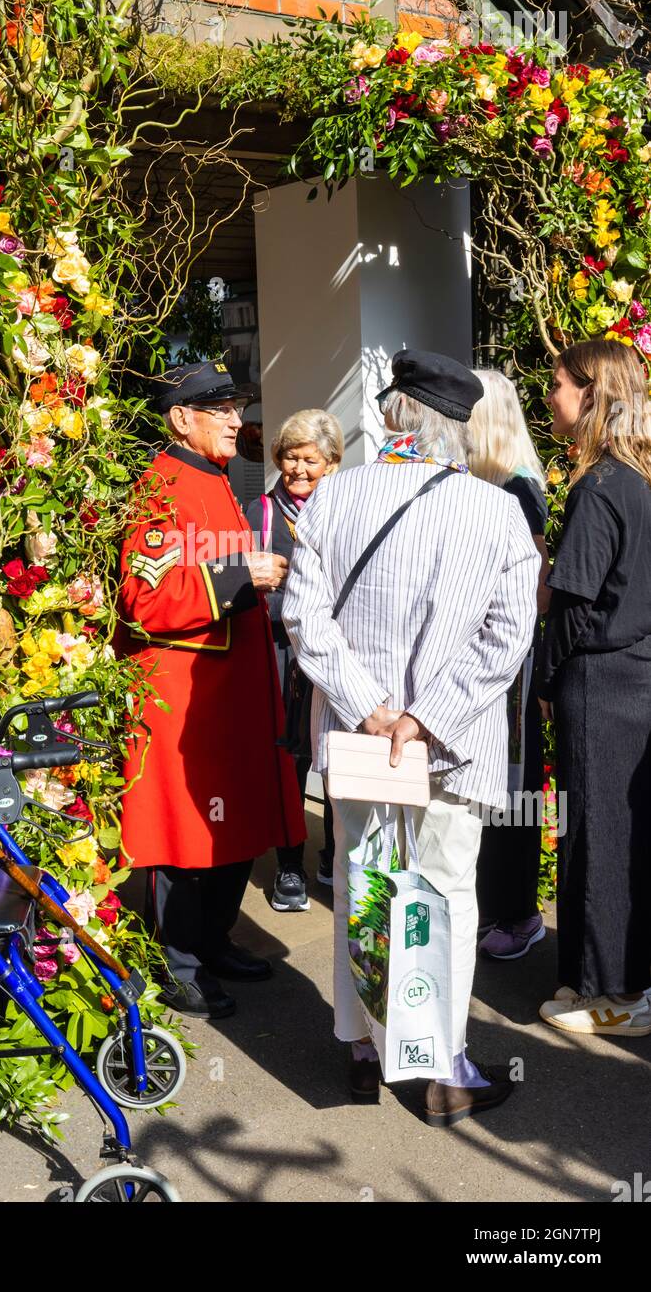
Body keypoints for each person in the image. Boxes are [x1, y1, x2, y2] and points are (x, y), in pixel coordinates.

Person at [283, 349, 538, 1126]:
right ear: (459, 428)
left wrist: (370, 709)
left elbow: (303, 618)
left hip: (365, 745)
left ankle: (364, 1051)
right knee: (443, 895)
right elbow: (508, 635)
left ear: (393, 414)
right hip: (451, 746)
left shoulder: (334, 498)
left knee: (362, 884)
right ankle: (439, 1068)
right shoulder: (496, 511)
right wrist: (424, 720)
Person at [116, 359, 307, 1020]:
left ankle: (215, 940)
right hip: (183, 702)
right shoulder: (160, 487)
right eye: (220, 409)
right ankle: (180, 962)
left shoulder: (214, 476)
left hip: (229, 696)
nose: (236, 419)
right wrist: (237, 574)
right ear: (181, 419)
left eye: (236, 407)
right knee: (186, 835)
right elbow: (144, 599)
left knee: (232, 827)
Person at [536, 339, 651, 1037]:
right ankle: (618, 982)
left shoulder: (600, 488)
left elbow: (572, 604)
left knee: (599, 837)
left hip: (598, 683)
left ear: (592, 394)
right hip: (634, 679)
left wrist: (549, 676)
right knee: (623, 835)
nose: (550, 395)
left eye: (558, 384)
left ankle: (613, 996)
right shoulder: (637, 483)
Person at [245, 409, 344, 912]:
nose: (298, 469)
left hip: (335, 652)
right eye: (289, 458)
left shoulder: (349, 509)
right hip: (281, 650)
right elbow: (238, 581)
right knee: (292, 758)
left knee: (337, 756)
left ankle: (334, 854)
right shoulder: (258, 512)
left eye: (310, 459)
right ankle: (289, 866)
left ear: (331, 462)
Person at [468, 370, 551, 961]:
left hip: (508, 661)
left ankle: (518, 913)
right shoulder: (479, 483)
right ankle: (492, 905)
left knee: (511, 785)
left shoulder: (517, 488)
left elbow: (536, 587)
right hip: (478, 659)